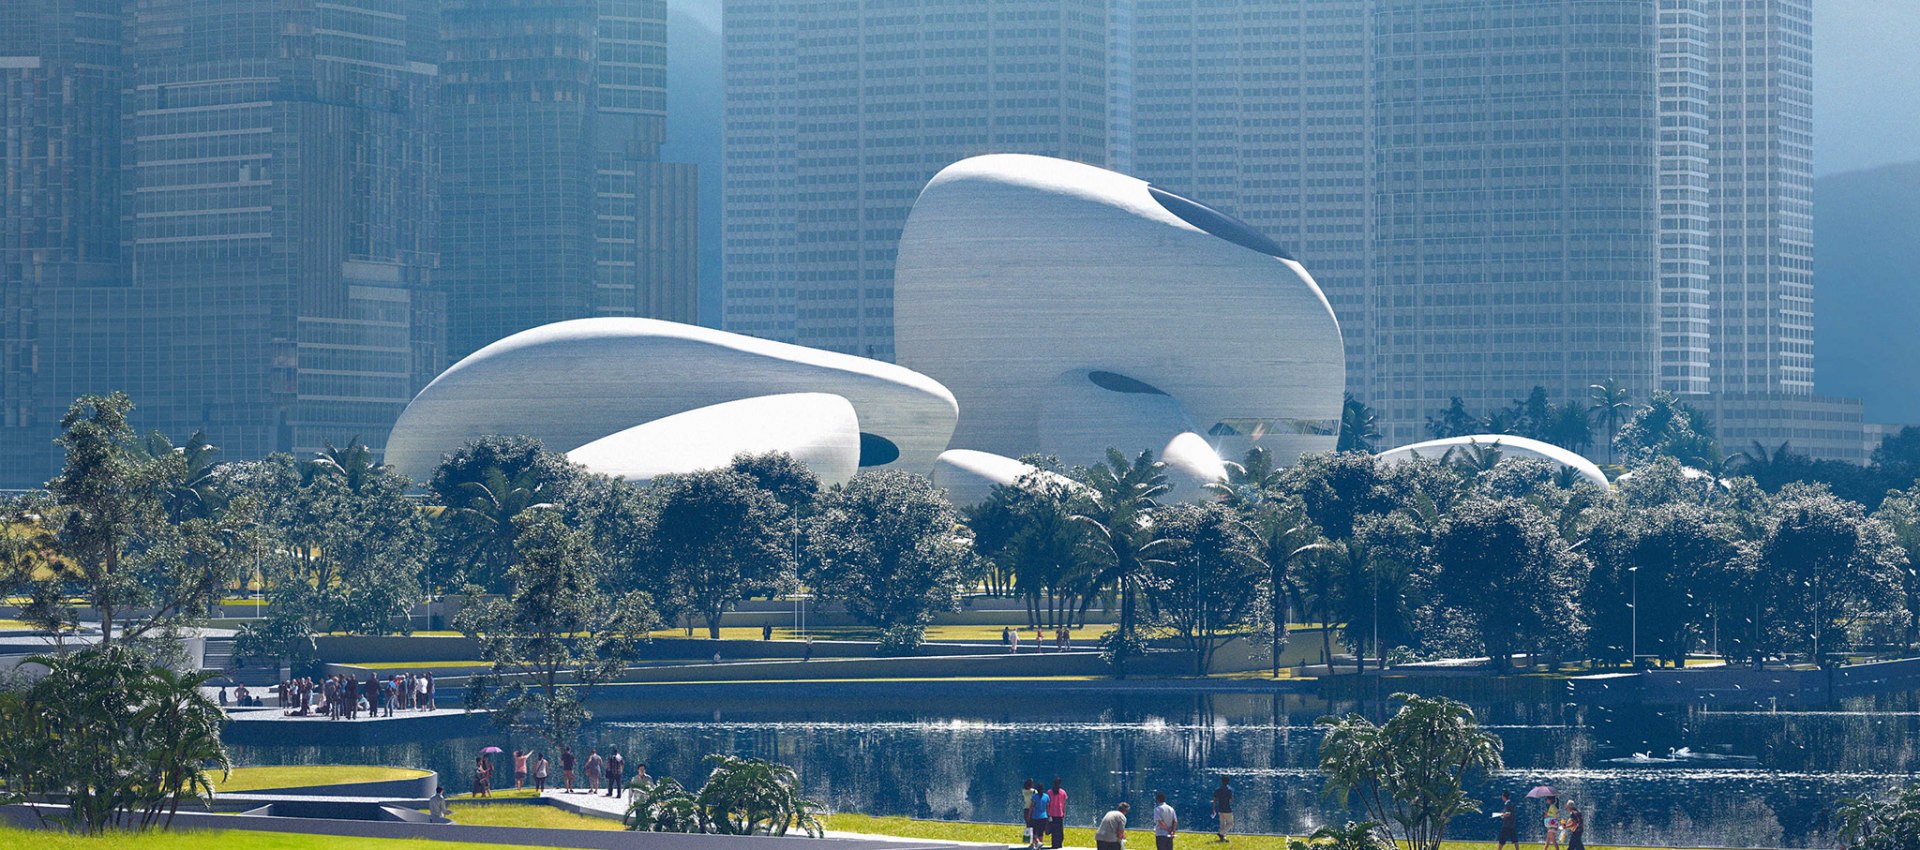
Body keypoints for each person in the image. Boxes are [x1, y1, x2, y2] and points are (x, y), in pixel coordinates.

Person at [1047, 777, 1067, 850]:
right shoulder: (1063, 792)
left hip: (1051, 813)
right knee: (1059, 830)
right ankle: (1059, 843)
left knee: (1053, 830)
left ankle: (1054, 844)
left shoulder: (1049, 792)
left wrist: (1047, 813)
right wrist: (1064, 812)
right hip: (1059, 813)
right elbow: (1064, 804)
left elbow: (1048, 804)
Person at [1030, 783, 1051, 850]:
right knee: (1041, 833)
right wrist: (1048, 815)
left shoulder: (1034, 797)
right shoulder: (1046, 796)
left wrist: (1029, 815)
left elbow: (1032, 807)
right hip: (1044, 816)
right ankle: (1039, 846)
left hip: (1035, 816)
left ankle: (1037, 842)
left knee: (1033, 832)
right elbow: (1047, 807)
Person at [1212, 777, 1234, 842]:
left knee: (1222, 825)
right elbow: (1232, 798)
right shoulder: (1229, 789)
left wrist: (1213, 809)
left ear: (1222, 781)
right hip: (1227, 809)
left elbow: (1214, 800)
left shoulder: (1218, 790)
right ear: (1228, 782)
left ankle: (1223, 838)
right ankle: (1221, 833)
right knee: (1230, 823)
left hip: (1220, 809)